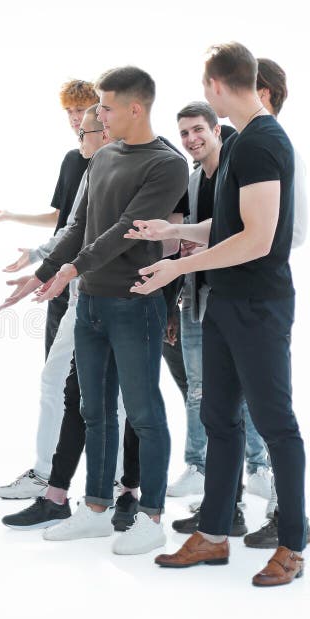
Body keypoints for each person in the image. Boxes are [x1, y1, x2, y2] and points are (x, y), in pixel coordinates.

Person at [129, 43, 305, 587]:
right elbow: (229, 226)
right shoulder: (239, 144)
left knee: (275, 423)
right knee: (219, 420)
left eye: (205, 86)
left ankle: (292, 545)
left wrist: (179, 270)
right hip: (227, 304)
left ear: (217, 85)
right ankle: (212, 534)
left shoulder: (262, 142)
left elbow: (258, 238)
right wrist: (174, 232)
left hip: (257, 305)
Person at [1, 67, 188, 555]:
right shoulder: (102, 156)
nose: (96, 116)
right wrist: (44, 271)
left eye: (104, 107)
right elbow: (78, 223)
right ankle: (96, 510)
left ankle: (150, 516)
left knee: (144, 411)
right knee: (94, 408)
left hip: (134, 305)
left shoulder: (166, 164)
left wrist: (72, 269)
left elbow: (127, 227)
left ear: (134, 108)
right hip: (91, 306)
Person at [166, 104, 268, 540]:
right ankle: (223, 500)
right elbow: (193, 235)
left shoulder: (235, 168)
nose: (191, 139)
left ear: (216, 129)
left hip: (232, 298)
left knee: (236, 395)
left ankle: (258, 470)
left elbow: (244, 230)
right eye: (184, 132)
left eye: (197, 130)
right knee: (202, 392)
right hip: (196, 294)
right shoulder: (192, 180)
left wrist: (200, 243)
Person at [0, 79, 99, 360]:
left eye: (80, 109)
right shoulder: (72, 160)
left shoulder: (109, 158)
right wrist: (11, 217)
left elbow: (83, 226)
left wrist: (37, 256)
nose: (74, 117)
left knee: (86, 367)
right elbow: (61, 219)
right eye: (68, 111)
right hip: (57, 268)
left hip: (87, 271)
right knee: (55, 361)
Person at [243, 56, 310, 550]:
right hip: (244, 297)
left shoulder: (276, 150)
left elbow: (294, 232)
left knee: (274, 413)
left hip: (263, 297)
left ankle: (289, 519)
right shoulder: (249, 147)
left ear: (263, 93)